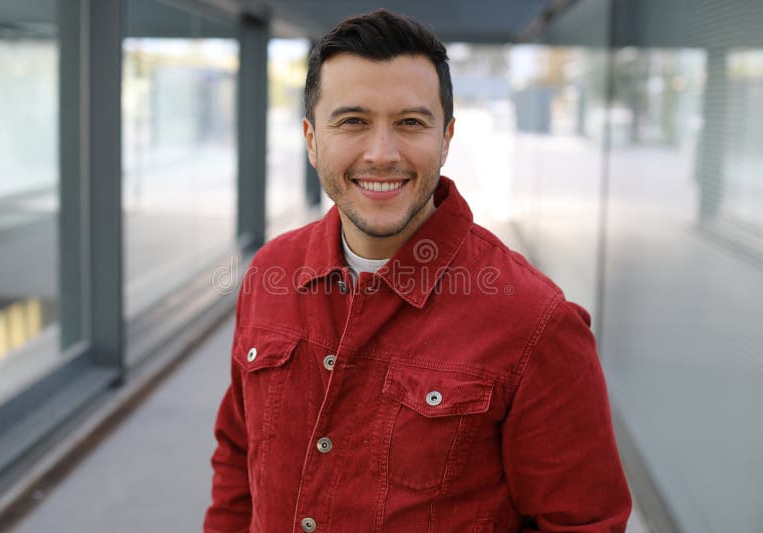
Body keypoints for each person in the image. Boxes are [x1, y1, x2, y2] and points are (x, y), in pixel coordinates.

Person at [205, 9, 631, 533]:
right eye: (353, 121)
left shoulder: (535, 322)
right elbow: (237, 458)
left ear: (447, 138)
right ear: (312, 140)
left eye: (410, 123)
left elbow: (582, 522)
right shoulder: (270, 273)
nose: (382, 154)